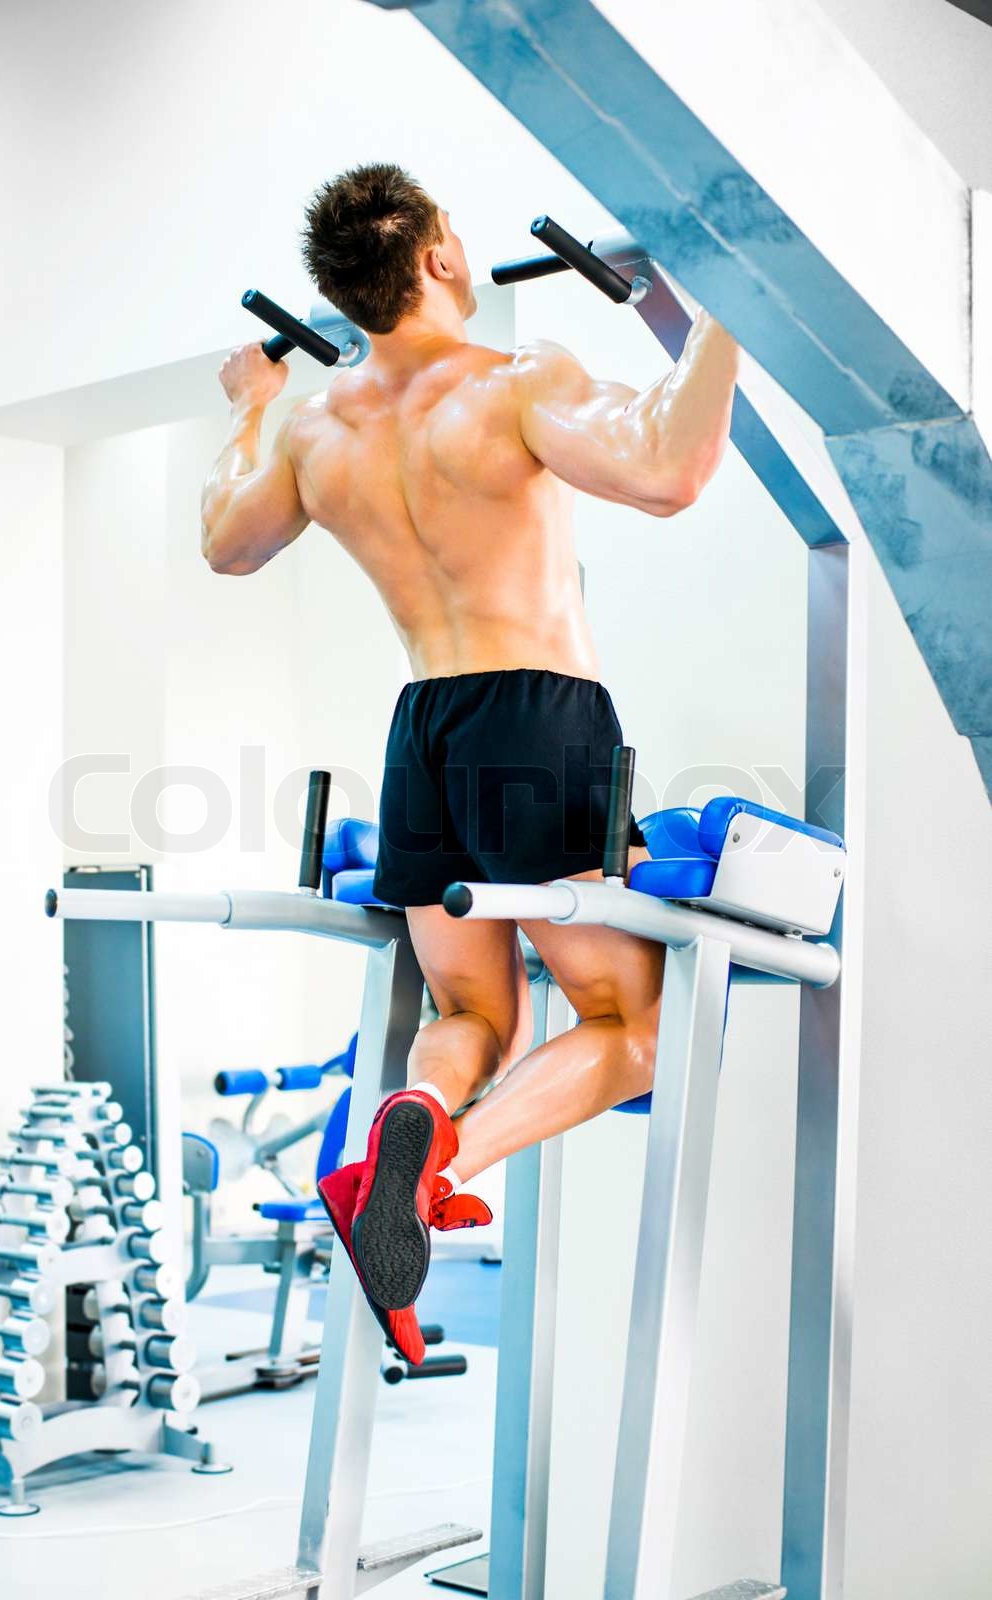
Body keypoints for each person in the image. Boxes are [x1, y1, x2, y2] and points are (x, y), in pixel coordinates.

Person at [201, 163, 739, 1361]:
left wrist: (250, 403)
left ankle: (420, 1112)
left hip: (421, 732)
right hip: (538, 712)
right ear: (442, 259)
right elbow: (669, 471)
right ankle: (438, 1164)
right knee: (633, 1024)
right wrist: (735, 306)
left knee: (470, 1011)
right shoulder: (513, 378)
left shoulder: (313, 428)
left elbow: (228, 543)